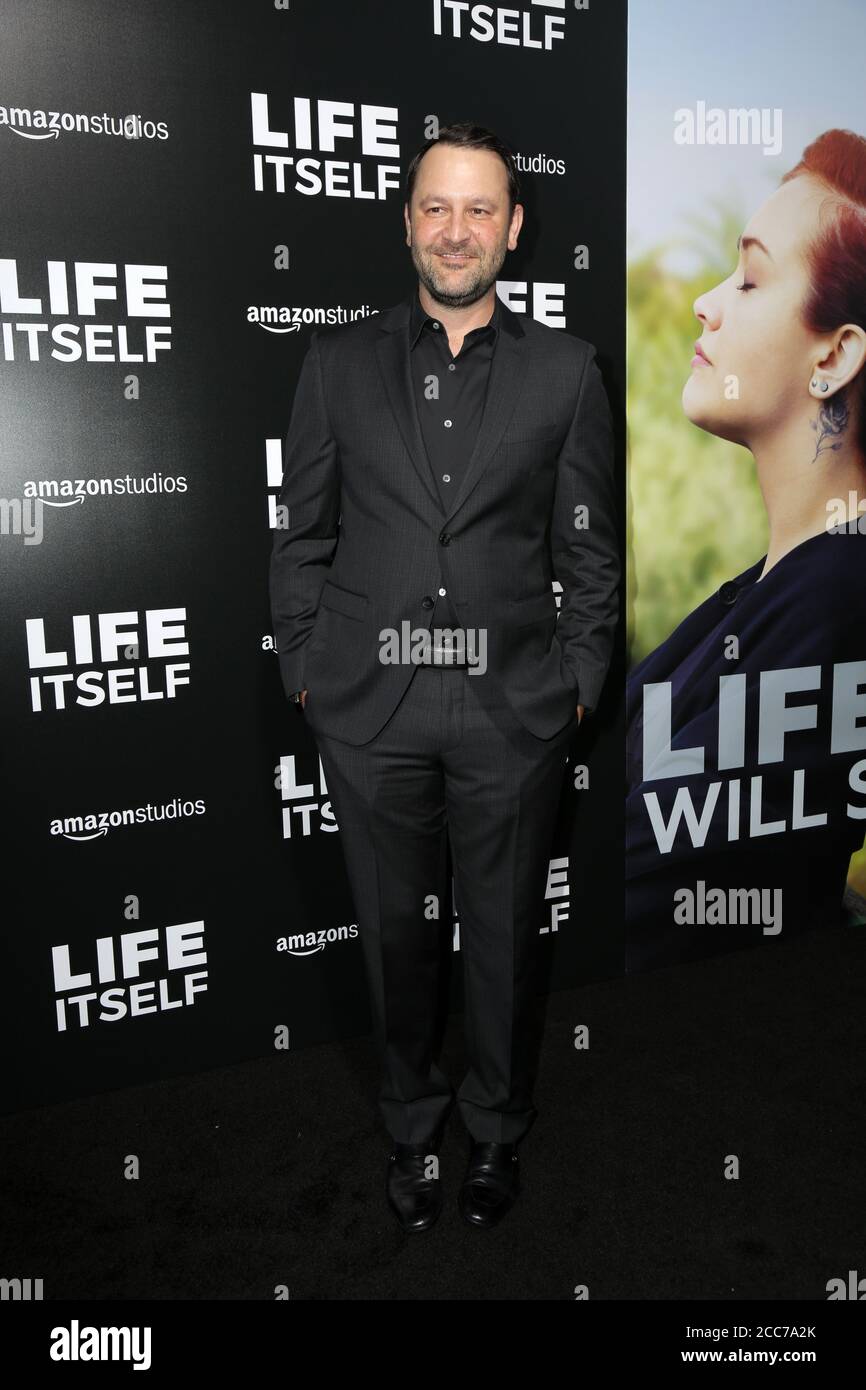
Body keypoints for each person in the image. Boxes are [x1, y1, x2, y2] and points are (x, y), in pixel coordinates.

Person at [270, 122, 619, 1230]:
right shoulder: (333, 364)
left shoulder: (568, 374)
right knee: (393, 939)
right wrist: (306, 672)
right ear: (406, 222)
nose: (455, 229)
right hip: (370, 707)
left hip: (509, 707)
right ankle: (412, 1128)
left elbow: (589, 552)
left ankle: (496, 1131)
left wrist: (574, 686)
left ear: (513, 228)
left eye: (479, 209)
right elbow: (301, 538)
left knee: (505, 943)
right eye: (435, 206)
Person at [626, 128, 866, 973]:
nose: (706, 301)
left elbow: (646, 898)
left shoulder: (836, 595)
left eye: (752, 277)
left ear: (833, 357)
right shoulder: (780, 585)